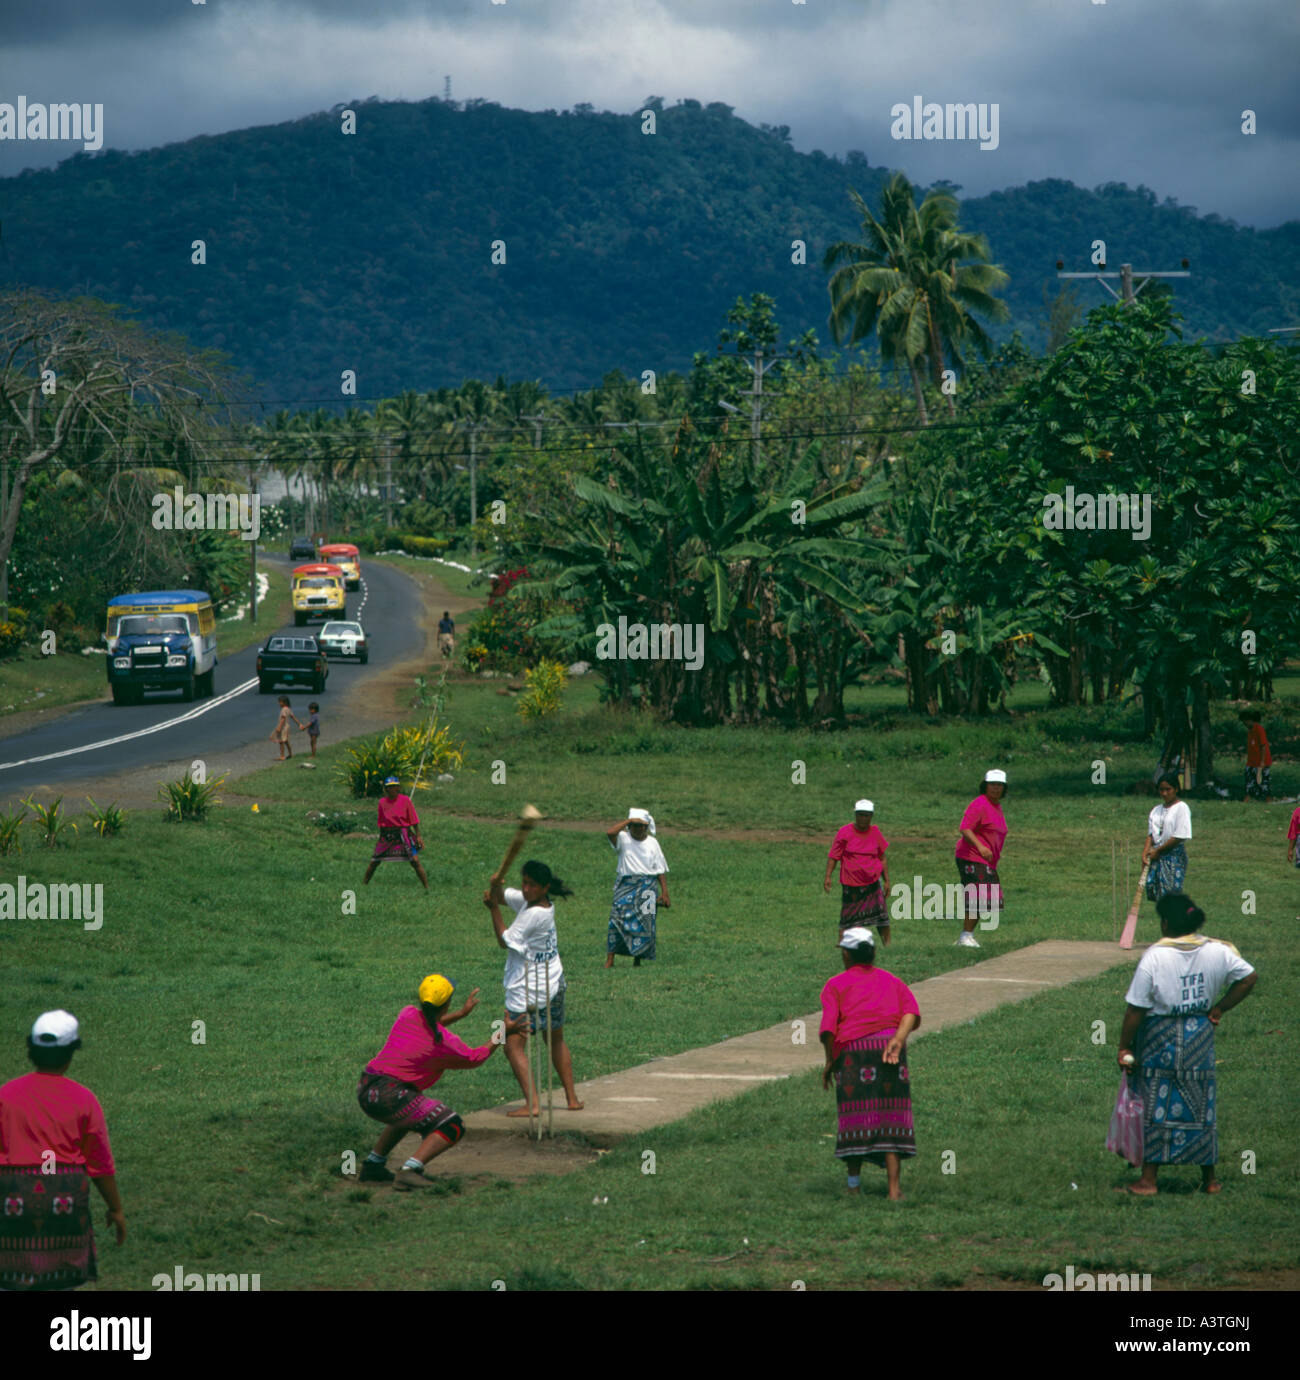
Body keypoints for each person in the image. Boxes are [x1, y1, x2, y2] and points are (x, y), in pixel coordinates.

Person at [1116, 894, 1257, 1196]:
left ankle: (1148, 1181)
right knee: (1201, 1104)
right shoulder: (1218, 951)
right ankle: (1210, 1181)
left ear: (1166, 923)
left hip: (1159, 1039)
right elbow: (1248, 977)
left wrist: (1124, 1046)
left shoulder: (1155, 956)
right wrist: (1218, 1009)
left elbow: (1136, 1009)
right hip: (1199, 1037)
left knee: (1156, 1105)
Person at [357, 975, 525, 1191]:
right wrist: (503, 1031)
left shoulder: (406, 1014)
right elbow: (476, 1057)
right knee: (451, 1124)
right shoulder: (445, 1044)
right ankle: (410, 1171)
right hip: (390, 1096)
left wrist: (461, 1015)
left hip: (366, 1087)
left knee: (409, 1113)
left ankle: (373, 1165)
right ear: (446, 1004)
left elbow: (429, 1023)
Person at [0, 1011, 126, 1290]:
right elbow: (99, 1163)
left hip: (13, 1200)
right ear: (70, 1054)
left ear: (30, 1051)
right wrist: (115, 1208)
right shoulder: (84, 1099)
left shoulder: (5, 1096)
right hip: (64, 1201)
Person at [819, 928, 920, 1201]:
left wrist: (830, 1061)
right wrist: (899, 1039)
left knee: (855, 1117)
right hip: (890, 1049)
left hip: (854, 1052)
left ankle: (853, 1185)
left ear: (846, 955)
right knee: (891, 1117)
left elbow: (829, 1029)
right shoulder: (892, 981)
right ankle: (894, 1189)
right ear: (873, 953)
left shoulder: (835, 985)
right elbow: (911, 1010)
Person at [484, 861, 584, 1117]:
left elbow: (504, 941)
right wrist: (495, 886)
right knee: (555, 1037)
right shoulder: (536, 902)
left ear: (544, 888)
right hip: (554, 980)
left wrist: (493, 908)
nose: (526, 889)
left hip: (529, 991)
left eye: (532, 885)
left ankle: (533, 1104)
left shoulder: (534, 915)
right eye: (524, 882)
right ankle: (572, 1099)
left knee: (511, 1046)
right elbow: (503, 895)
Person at [605, 809, 671, 968]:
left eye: (643, 826)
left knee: (646, 923)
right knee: (616, 920)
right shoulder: (623, 838)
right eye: (636, 825)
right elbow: (610, 832)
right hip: (626, 885)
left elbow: (660, 869)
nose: (639, 829)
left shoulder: (653, 843)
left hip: (648, 886)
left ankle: (638, 959)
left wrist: (665, 892)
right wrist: (628, 822)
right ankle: (610, 959)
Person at [824, 799, 891, 943]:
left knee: (881, 917)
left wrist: (887, 881)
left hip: (872, 883)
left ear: (871, 816)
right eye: (860, 815)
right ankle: (843, 945)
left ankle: (888, 944)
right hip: (851, 884)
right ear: (855, 815)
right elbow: (834, 856)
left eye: (866, 815)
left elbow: (882, 858)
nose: (863, 818)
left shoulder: (875, 832)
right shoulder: (845, 832)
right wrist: (828, 876)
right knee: (847, 917)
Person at [954, 769, 1007, 948]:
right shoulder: (979, 804)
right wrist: (981, 846)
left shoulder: (996, 807)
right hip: (971, 856)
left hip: (986, 860)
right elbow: (965, 828)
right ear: (985, 785)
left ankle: (967, 935)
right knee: (978, 895)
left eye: (999, 785)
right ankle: (965, 936)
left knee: (987, 897)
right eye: (992, 784)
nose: (996, 788)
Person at [363, 775, 429, 890]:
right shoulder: (382, 803)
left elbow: (413, 819)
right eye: (389, 787)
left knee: (415, 861)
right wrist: (382, 839)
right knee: (374, 861)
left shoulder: (405, 801)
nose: (392, 789)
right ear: (386, 789)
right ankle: (363, 885)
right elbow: (381, 822)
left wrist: (418, 836)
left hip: (403, 835)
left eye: (394, 786)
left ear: (398, 788)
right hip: (387, 836)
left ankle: (427, 888)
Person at [1143, 774, 1191, 903]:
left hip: (1173, 857)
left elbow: (1179, 836)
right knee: (1160, 900)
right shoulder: (1156, 810)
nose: (1164, 793)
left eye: (1168, 789)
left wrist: (1158, 851)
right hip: (1156, 856)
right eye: (1161, 790)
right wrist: (1145, 853)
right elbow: (1151, 835)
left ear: (1176, 789)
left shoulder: (1181, 808)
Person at [1239, 710, 1271, 802]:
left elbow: (1263, 746)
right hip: (1252, 761)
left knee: (1264, 781)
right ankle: (1247, 797)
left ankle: (1268, 799)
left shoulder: (1259, 729)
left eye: (1245, 721)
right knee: (1249, 779)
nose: (1244, 723)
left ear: (1250, 720)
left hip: (1262, 761)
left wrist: (1262, 762)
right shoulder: (1250, 732)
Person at [270, 695, 304, 761]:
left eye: (280, 702)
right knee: (286, 741)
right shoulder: (288, 709)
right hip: (287, 727)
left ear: (284, 702)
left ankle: (282, 756)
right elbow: (293, 717)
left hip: (283, 727)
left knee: (281, 741)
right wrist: (299, 724)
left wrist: (279, 727)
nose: (279, 704)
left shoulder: (283, 710)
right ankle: (290, 753)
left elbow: (283, 719)